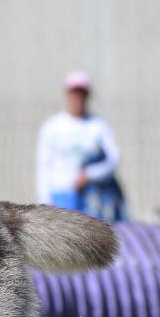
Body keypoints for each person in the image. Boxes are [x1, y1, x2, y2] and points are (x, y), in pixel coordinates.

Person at [36, 71, 126, 221]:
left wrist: (89, 174)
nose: (77, 99)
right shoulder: (52, 127)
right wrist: (44, 202)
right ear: (66, 95)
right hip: (59, 198)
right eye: (74, 94)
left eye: (81, 94)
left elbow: (114, 159)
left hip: (90, 199)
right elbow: (43, 166)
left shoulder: (98, 125)